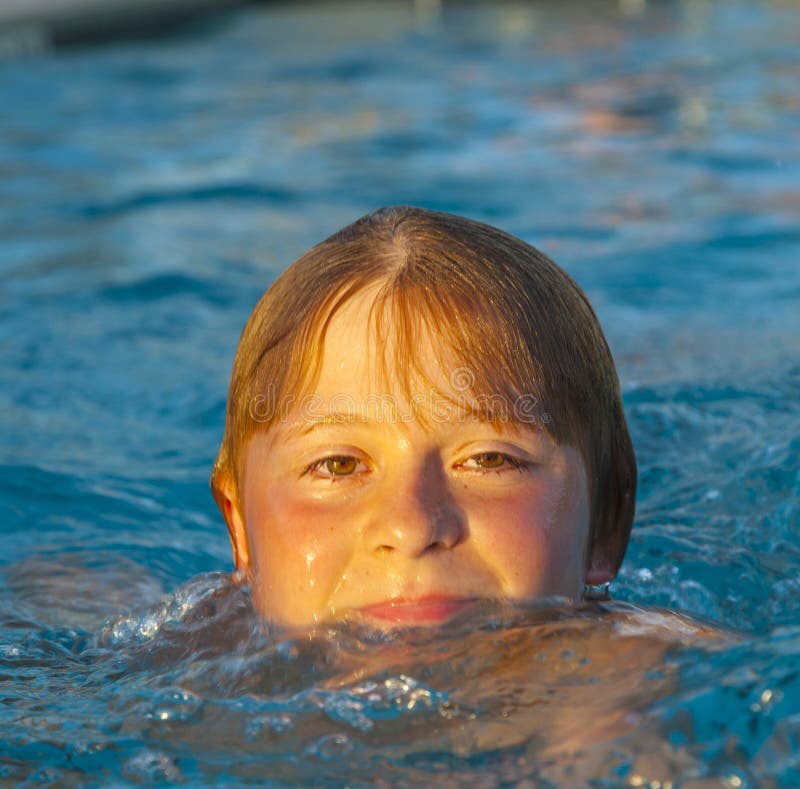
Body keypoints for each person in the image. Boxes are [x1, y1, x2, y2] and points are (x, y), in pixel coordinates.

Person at [210, 205, 636, 629]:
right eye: (338, 466)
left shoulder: (652, 677)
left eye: (490, 460)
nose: (410, 527)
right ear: (240, 528)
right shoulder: (173, 678)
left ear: (604, 524)